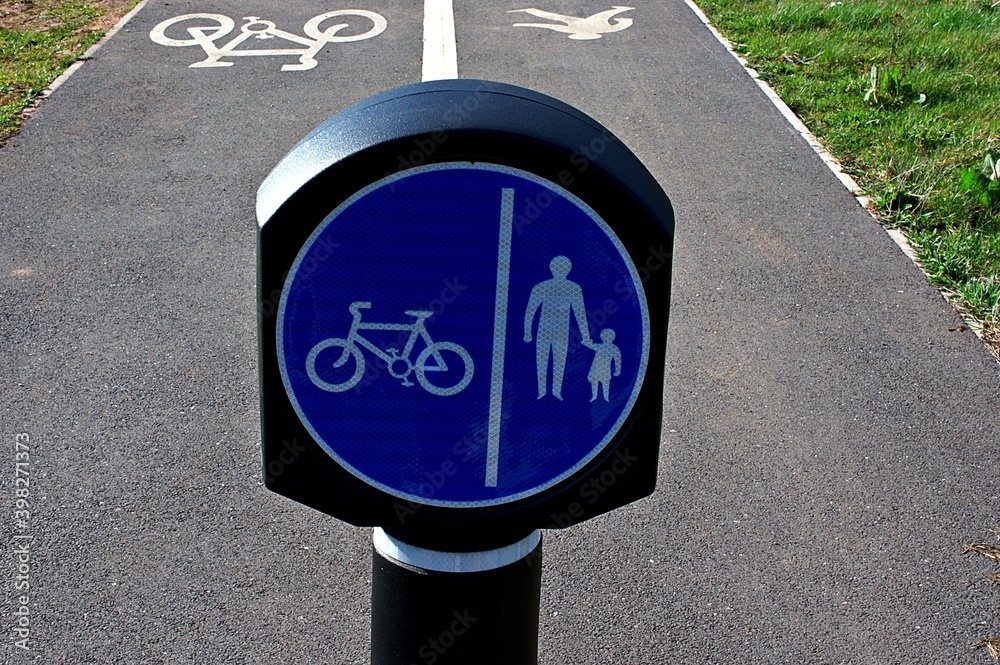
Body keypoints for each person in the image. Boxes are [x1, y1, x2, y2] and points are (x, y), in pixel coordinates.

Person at [523, 255, 591, 399]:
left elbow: (579, 313)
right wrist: (527, 332)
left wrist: (585, 335)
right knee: (544, 360)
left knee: (557, 361)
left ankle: (555, 392)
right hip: (546, 331)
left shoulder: (573, 288)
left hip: (559, 331)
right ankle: (543, 392)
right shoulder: (542, 287)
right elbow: (530, 310)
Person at [587, 329, 621, 402]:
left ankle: (606, 398)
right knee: (594, 382)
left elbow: (617, 360)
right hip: (596, 368)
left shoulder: (614, 348)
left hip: (605, 369)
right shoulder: (600, 346)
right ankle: (594, 396)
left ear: (612, 337)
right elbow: (591, 345)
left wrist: (617, 371)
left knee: (605, 383)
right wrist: (586, 342)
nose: (606, 338)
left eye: (608, 336)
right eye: (604, 336)